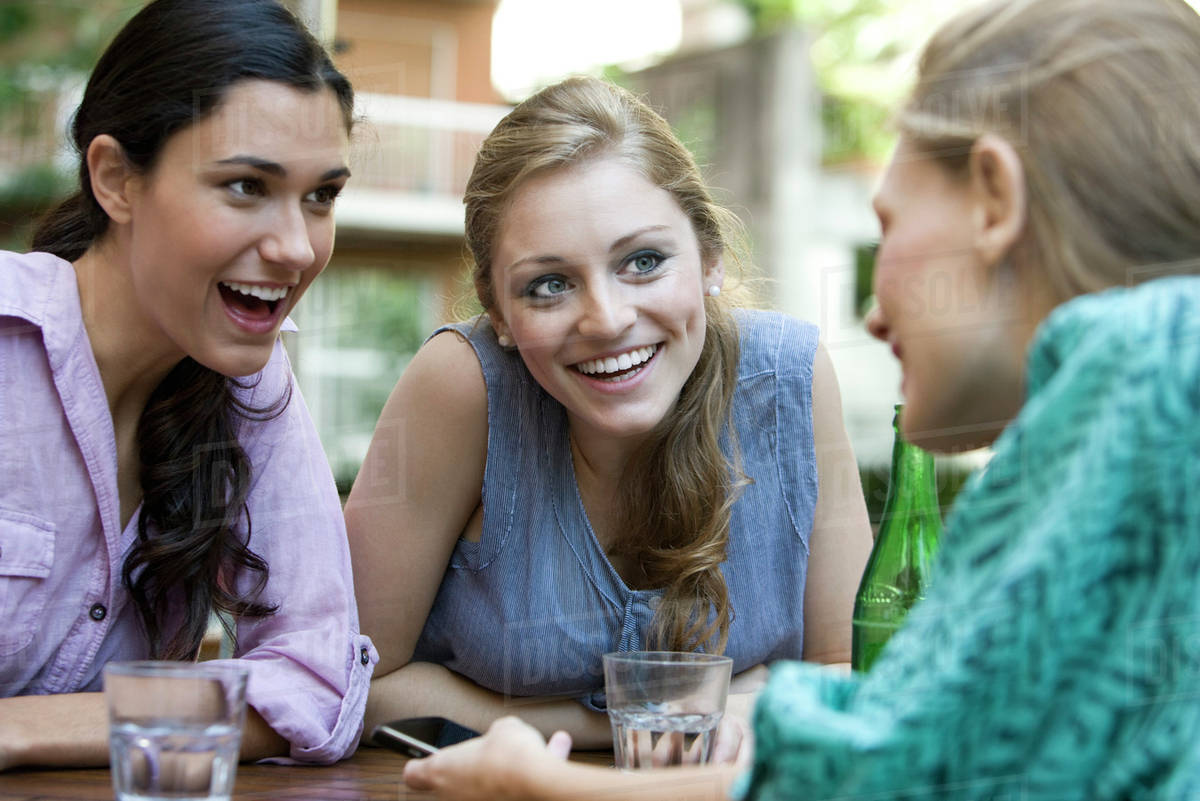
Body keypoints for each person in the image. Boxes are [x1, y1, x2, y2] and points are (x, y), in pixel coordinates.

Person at [397, 0, 1200, 798]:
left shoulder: (1147, 381)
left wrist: (541, 785)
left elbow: (897, 766)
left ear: (994, 198)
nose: (872, 313)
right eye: (550, 284)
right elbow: (931, 738)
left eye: (886, 227)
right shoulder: (1143, 400)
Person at [345, 76, 874, 748]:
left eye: (643, 261)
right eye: (549, 285)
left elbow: (850, 680)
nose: (606, 319)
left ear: (710, 257)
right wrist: (669, 714)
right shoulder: (462, 385)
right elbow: (348, 682)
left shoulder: (789, 378)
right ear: (497, 309)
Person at [0, 0, 375, 770]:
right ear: (115, 180)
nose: (296, 247)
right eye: (245, 186)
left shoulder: (249, 384)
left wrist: (21, 730)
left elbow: (315, 679)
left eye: (322, 196)